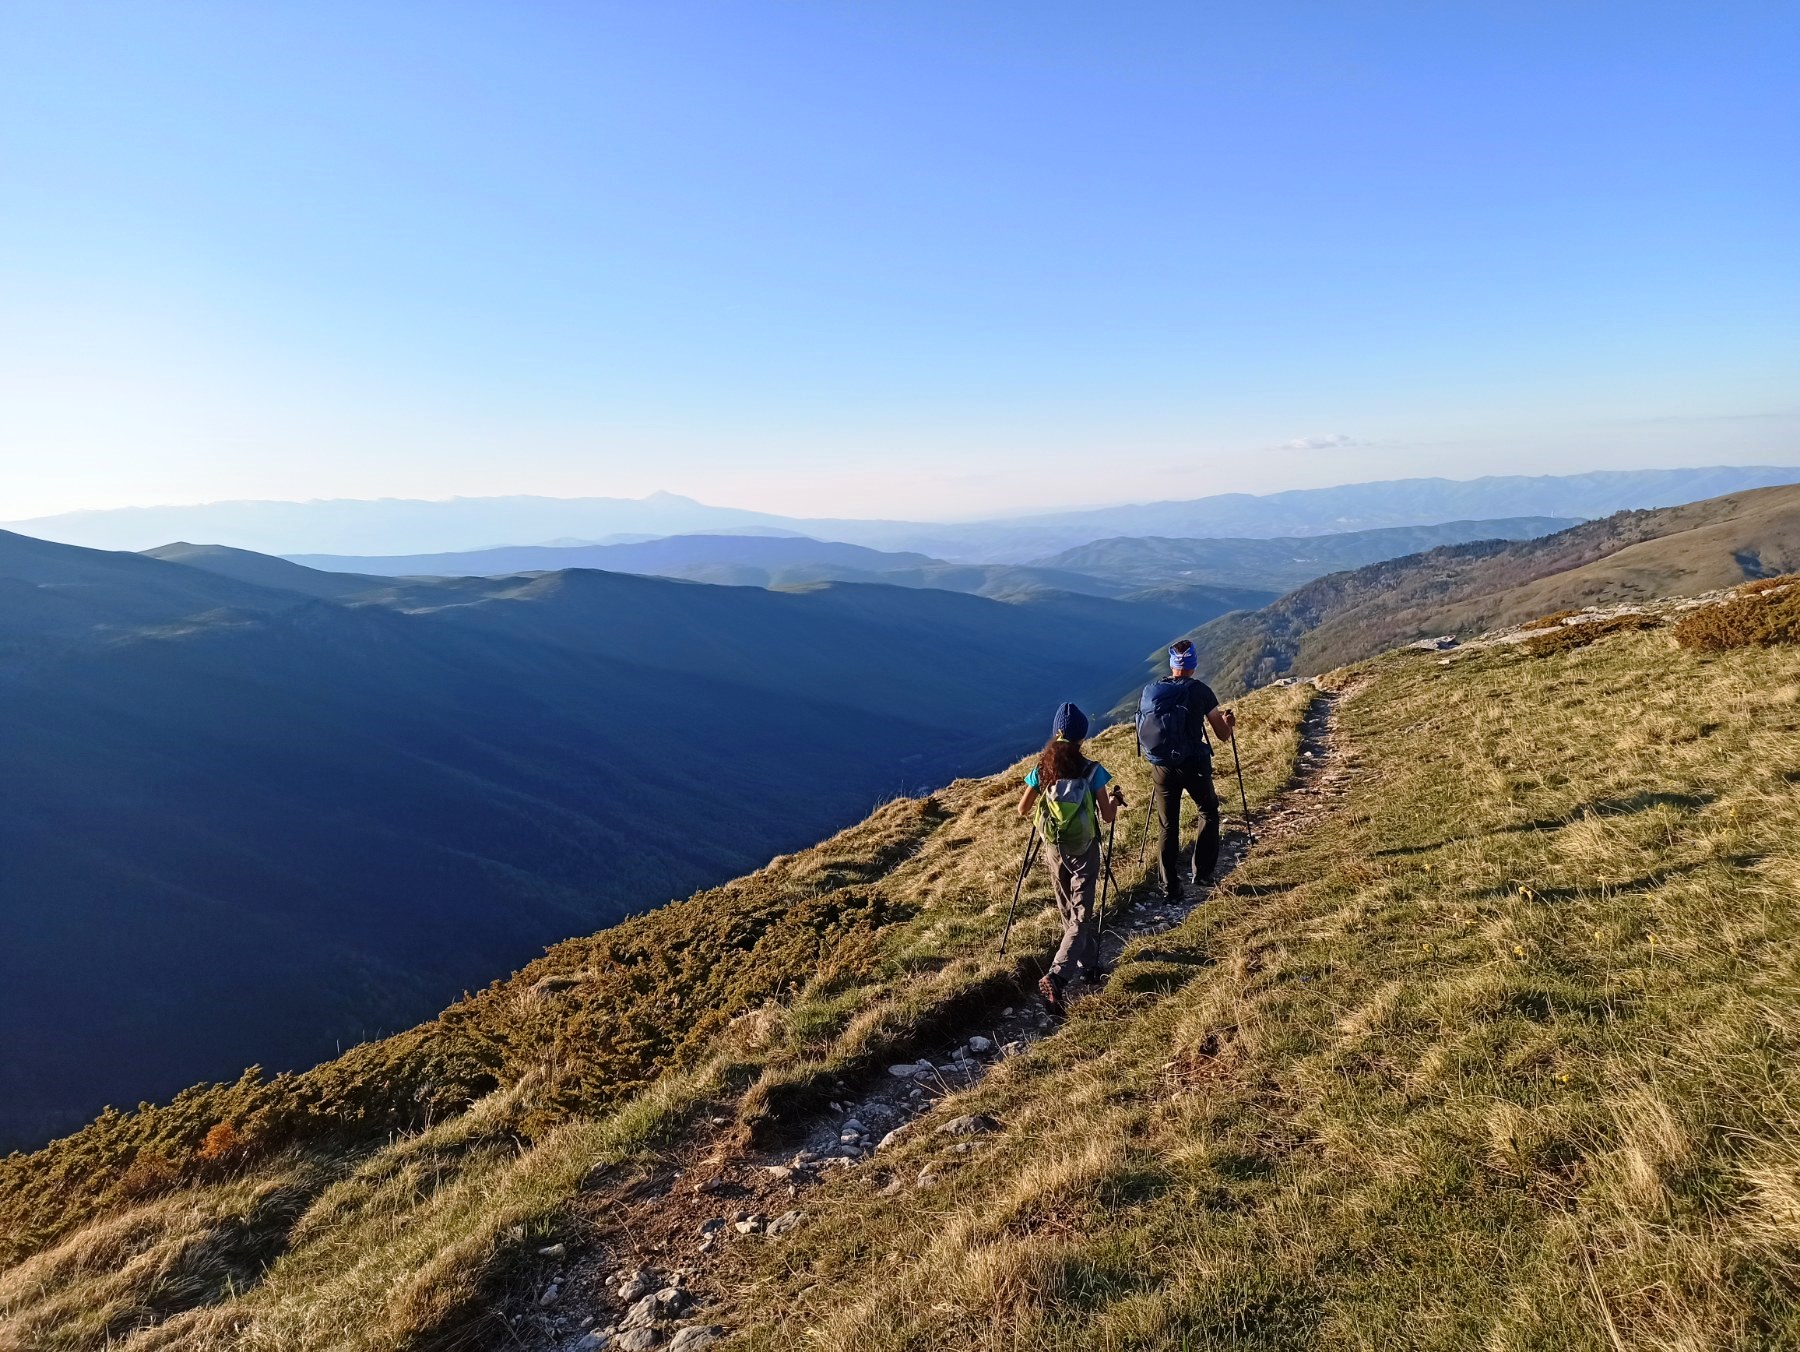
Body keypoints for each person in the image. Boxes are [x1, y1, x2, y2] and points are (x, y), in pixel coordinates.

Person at [1017, 701, 1123, 1016]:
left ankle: (1089, 966)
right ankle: (1057, 976)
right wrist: (1115, 801)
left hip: (1054, 848)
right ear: (1081, 736)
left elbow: (1023, 809)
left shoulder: (1041, 770)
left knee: (1070, 912)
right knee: (1081, 915)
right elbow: (1107, 816)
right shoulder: (1092, 770)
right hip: (1084, 849)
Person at [1137, 640, 1235, 902]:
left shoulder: (1153, 690)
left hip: (1162, 767)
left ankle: (1169, 887)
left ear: (1171, 664)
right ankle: (1202, 873)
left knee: (1168, 825)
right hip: (1193, 765)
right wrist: (1228, 723)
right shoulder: (1201, 692)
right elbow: (1222, 735)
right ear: (1193, 665)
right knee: (1208, 810)